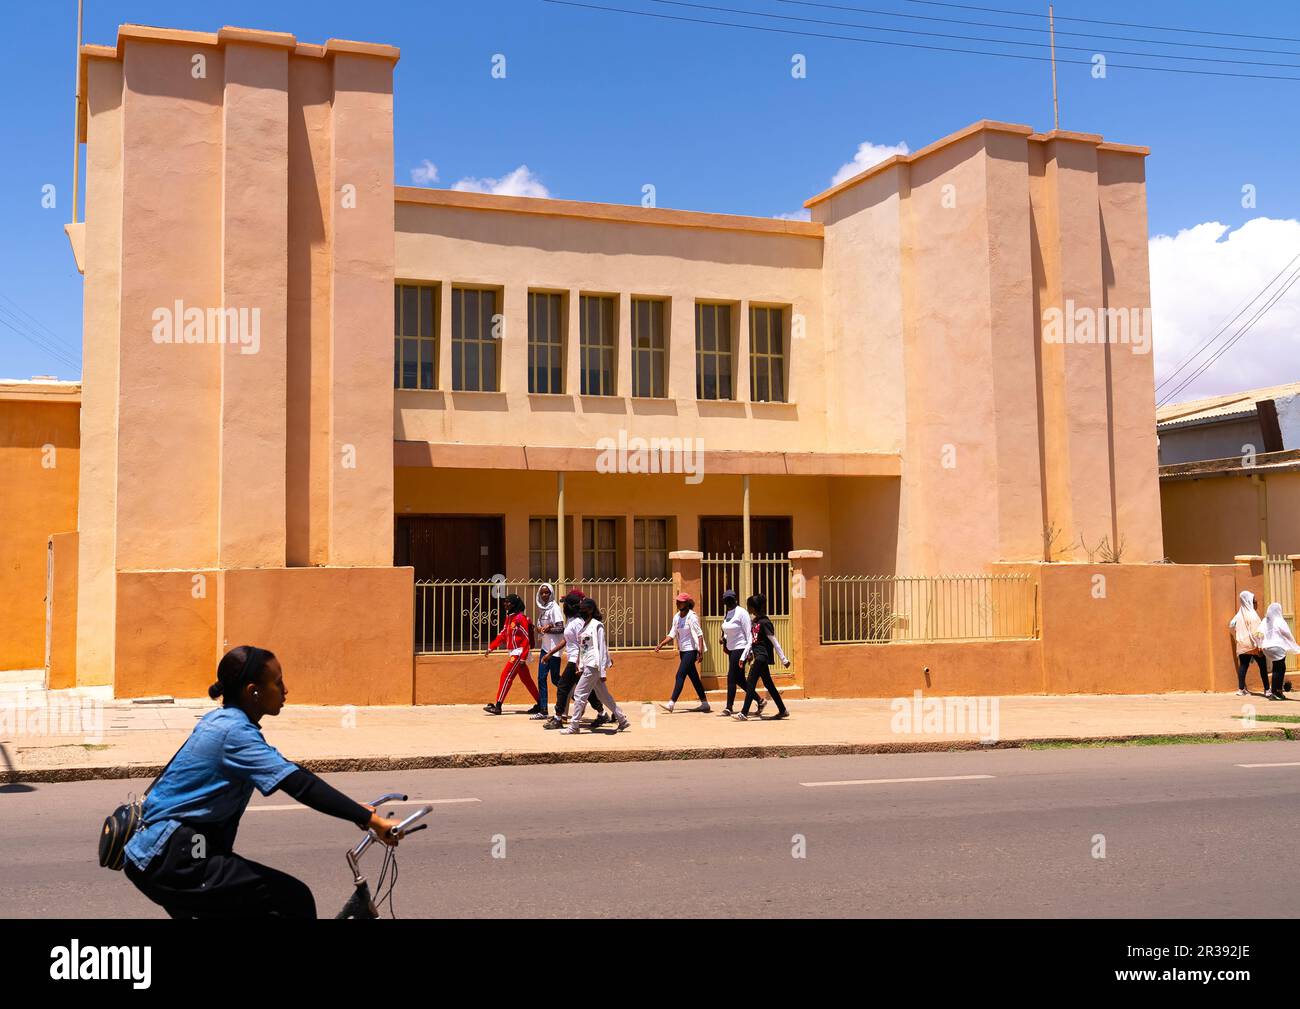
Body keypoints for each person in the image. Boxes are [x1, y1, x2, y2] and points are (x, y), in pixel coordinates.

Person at [123, 645, 402, 918]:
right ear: (253, 691)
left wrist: (354, 809)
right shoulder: (234, 734)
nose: (285, 690)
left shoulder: (222, 721)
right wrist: (371, 820)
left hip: (160, 853)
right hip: (174, 857)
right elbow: (297, 784)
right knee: (295, 898)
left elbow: (291, 771)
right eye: (277, 682)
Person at [562, 596, 630, 735]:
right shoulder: (583, 626)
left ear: (591, 610)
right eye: (580, 608)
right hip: (587, 665)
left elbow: (601, 648)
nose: (581, 610)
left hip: (594, 665)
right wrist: (580, 666)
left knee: (579, 694)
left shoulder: (597, 625)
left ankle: (574, 725)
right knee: (604, 696)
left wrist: (603, 671)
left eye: (584, 608)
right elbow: (583, 649)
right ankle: (622, 720)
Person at [541, 590, 606, 729]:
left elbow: (583, 643)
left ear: (570, 607)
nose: (563, 607)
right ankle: (602, 713)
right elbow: (565, 640)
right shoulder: (572, 621)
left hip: (576, 660)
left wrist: (578, 663)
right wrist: (550, 653)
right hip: (574, 659)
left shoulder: (578, 622)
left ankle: (558, 718)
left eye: (565, 604)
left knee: (563, 687)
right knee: (588, 692)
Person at [735, 593, 790, 721]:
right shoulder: (755, 622)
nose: (747, 608)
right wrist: (744, 657)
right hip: (757, 656)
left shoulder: (765, 622)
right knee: (768, 684)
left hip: (762, 656)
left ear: (754, 608)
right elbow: (751, 641)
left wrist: (784, 659)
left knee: (750, 683)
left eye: (749, 606)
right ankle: (783, 710)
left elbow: (774, 641)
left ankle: (743, 712)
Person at [654, 592, 710, 712]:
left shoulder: (692, 617)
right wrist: (661, 644)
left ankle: (671, 703)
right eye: (677, 601)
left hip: (691, 650)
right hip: (683, 651)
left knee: (680, 675)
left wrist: (700, 651)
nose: (678, 603)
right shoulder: (677, 617)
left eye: (680, 601)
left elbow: (699, 635)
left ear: (687, 603)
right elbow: (672, 633)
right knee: (694, 677)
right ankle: (705, 703)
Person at [483, 594, 538, 715]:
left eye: (509, 602)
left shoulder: (520, 618)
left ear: (514, 604)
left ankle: (498, 706)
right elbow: (502, 635)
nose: (506, 604)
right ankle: (540, 703)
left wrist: (523, 657)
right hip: (513, 652)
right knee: (526, 680)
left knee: (506, 676)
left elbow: (526, 639)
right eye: (505, 602)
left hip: (518, 653)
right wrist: (490, 647)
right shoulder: (509, 618)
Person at [718, 588, 762, 718]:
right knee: (740, 680)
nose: (728, 603)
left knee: (731, 676)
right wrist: (723, 638)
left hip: (741, 647)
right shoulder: (727, 614)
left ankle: (728, 707)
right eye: (726, 601)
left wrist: (749, 651)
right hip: (731, 648)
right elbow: (727, 631)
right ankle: (760, 700)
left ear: (735, 599)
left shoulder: (742, 613)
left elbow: (748, 633)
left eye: (730, 600)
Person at [532, 582, 565, 719]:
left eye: (547, 593)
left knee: (555, 679)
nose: (544, 595)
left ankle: (575, 695)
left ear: (551, 594)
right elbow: (541, 627)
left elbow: (561, 627)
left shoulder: (555, 608)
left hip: (554, 649)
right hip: (545, 648)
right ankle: (543, 709)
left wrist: (548, 628)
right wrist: (539, 629)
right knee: (541, 678)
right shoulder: (543, 609)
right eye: (542, 593)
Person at [1229, 590, 1269, 696]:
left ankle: (1241, 689)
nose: (1256, 603)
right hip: (1253, 645)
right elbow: (1257, 633)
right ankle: (1267, 689)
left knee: (1243, 665)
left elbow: (1231, 624)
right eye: (1254, 601)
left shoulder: (1239, 614)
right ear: (1249, 602)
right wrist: (1260, 646)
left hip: (1242, 645)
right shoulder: (1253, 615)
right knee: (1262, 666)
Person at [1259, 602, 1299, 701]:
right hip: (1277, 647)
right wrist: (1294, 645)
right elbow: (1287, 633)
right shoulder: (1280, 621)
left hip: (1267, 648)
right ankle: (1275, 692)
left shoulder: (1265, 620)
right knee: (1279, 668)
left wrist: (1260, 645)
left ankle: (1277, 691)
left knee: (1279, 667)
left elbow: (1258, 632)